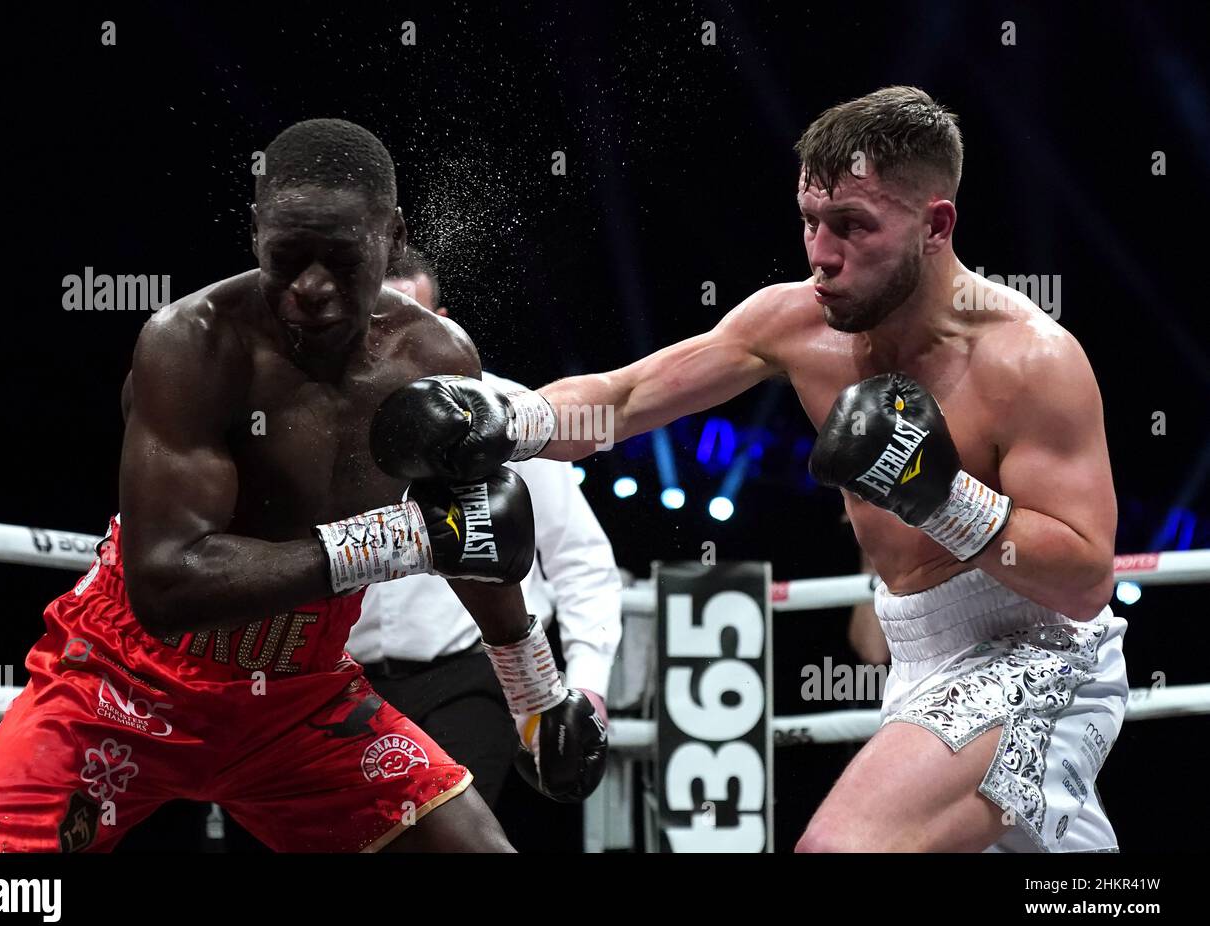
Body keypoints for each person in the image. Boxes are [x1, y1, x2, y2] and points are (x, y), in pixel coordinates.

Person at [373, 87, 1128, 852]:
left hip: (1038, 657)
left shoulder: (1029, 360)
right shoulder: (797, 323)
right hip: (916, 657)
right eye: (810, 222)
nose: (822, 253)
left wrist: (942, 496)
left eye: (853, 227)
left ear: (936, 225)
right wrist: (506, 419)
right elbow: (623, 398)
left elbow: (1085, 579)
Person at [0, 118, 604, 854]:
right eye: (287, 257)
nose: (310, 289)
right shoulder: (191, 345)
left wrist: (535, 692)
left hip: (297, 694)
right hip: (125, 681)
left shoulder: (434, 357)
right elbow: (166, 587)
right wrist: (400, 540)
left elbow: (470, 534)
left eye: (341, 260)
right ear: (256, 233)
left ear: (391, 235)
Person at [348, 248, 622, 809]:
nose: (392, 345)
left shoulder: (508, 413)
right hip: (346, 681)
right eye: (378, 330)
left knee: (441, 828)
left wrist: (588, 686)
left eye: (410, 326)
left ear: (442, 326)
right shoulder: (325, 423)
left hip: (470, 675)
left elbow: (580, 560)